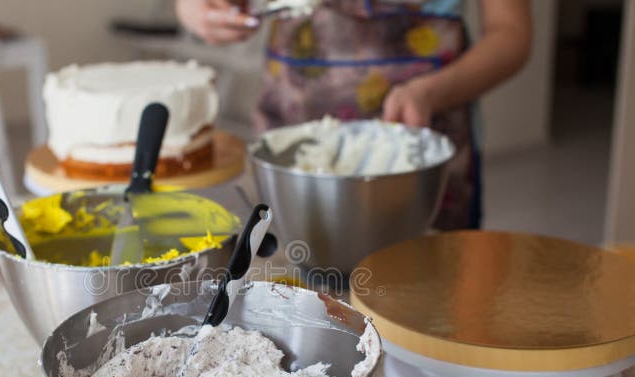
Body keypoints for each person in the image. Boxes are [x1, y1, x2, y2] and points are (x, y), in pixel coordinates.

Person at [175, 0, 532, 230]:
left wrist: (429, 93)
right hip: (291, 144)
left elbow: (511, 33)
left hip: (423, 142)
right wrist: (199, 11)